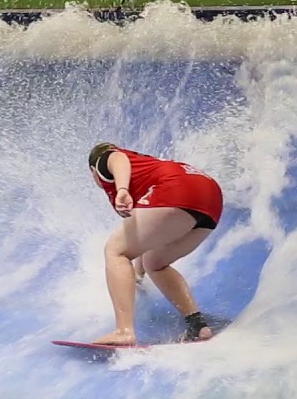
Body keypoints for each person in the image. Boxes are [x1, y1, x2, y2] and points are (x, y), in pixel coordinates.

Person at [86, 142, 224, 346]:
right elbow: (148, 238)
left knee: (115, 251)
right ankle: (198, 326)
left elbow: (116, 158)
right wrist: (137, 276)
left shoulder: (103, 160)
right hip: (210, 198)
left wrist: (122, 189)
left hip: (176, 190)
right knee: (155, 263)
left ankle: (124, 331)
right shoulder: (147, 171)